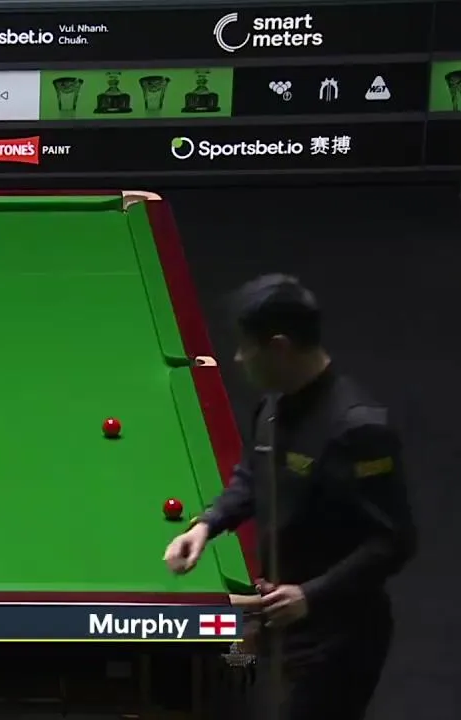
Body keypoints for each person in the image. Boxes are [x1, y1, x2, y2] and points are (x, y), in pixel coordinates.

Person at [162, 274, 416, 719]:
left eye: (246, 347)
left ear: (279, 347)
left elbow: (393, 541)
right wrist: (207, 523)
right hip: (276, 615)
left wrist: (310, 595)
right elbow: (253, 475)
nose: (238, 358)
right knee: (222, 680)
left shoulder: (358, 429)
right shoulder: (274, 406)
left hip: (336, 639)